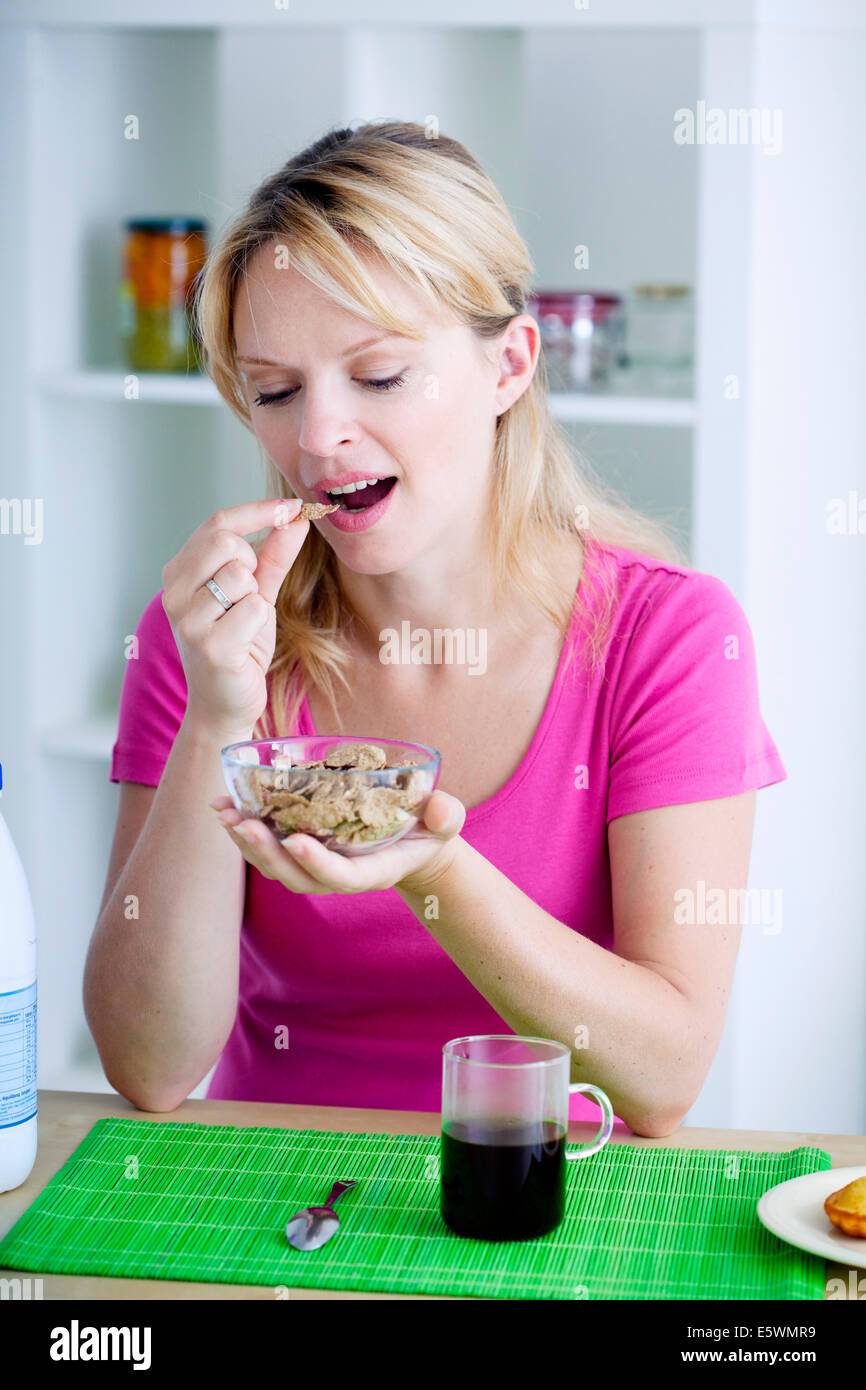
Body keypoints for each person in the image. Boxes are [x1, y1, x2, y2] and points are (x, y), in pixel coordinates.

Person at [84, 121, 786, 1137]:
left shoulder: (668, 637)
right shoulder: (206, 637)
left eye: (376, 377)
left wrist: (430, 865)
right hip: (270, 1195)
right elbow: (148, 1067)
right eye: (273, 390)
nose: (316, 437)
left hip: (551, 1197)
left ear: (507, 367)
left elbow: (662, 1072)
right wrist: (215, 720)